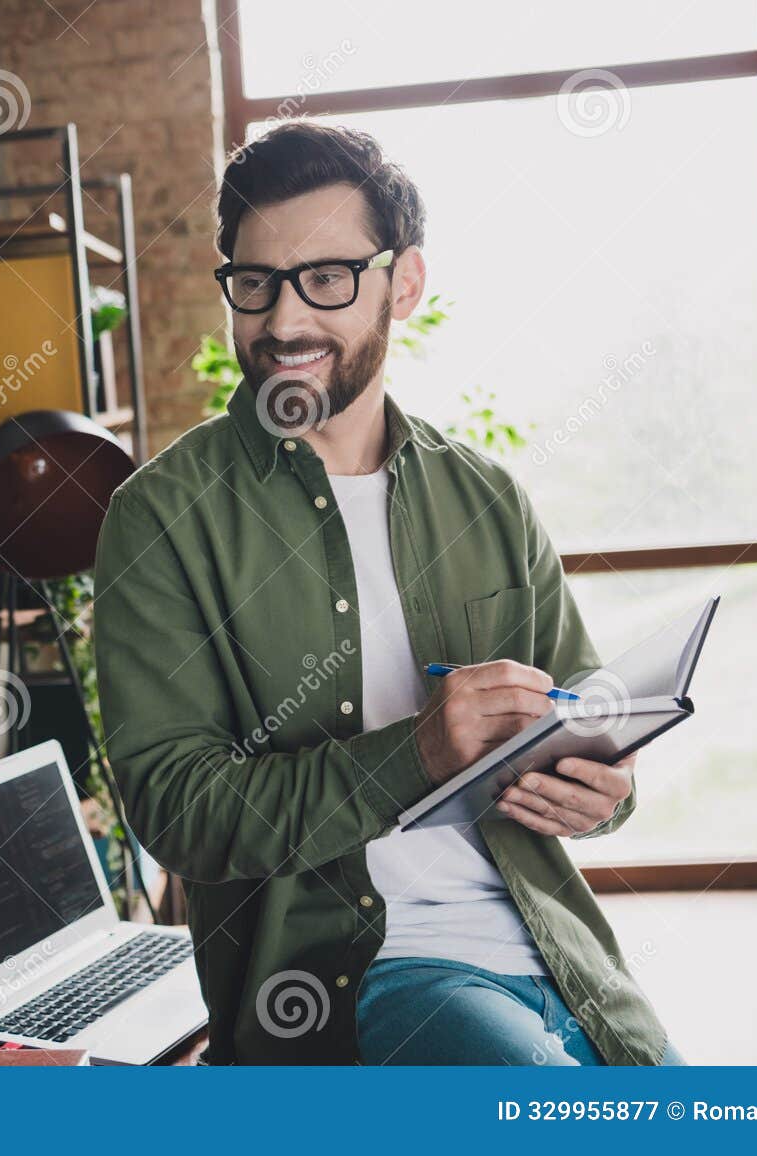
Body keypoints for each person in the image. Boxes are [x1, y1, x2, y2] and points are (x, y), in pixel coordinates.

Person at [93, 120, 681, 1066]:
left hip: (568, 962)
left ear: (403, 284)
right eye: (255, 283)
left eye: (326, 279)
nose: (283, 321)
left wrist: (603, 793)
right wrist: (414, 754)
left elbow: (589, 719)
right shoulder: (162, 517)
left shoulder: (486, 497)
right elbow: (178, 811)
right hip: (367, 978)